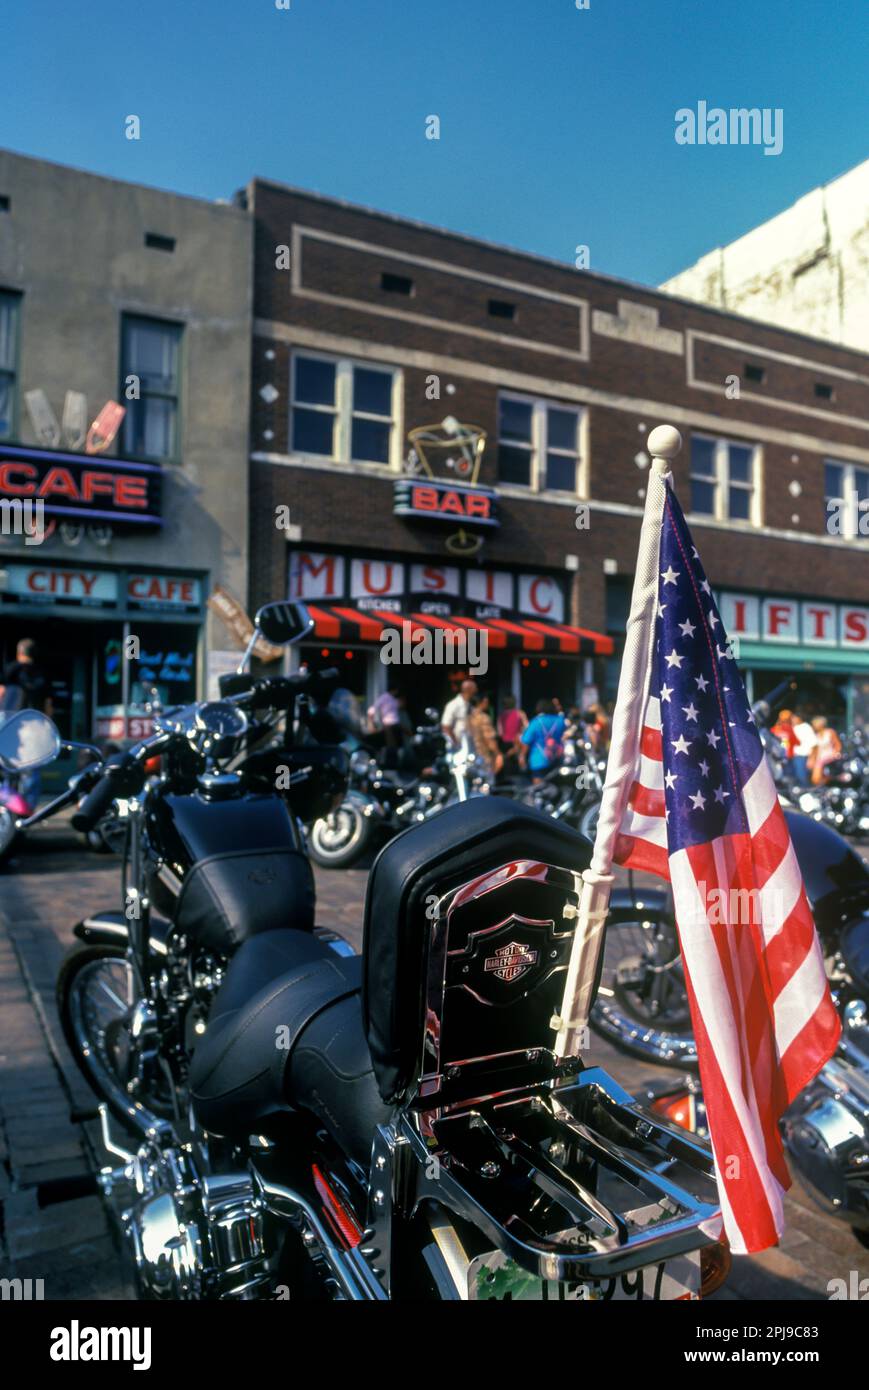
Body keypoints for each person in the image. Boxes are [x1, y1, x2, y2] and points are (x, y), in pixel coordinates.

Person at [0, 638, 53, 806]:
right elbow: (48, 704)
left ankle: (7, 804)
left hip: (10, 722)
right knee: (32, 766)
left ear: (19, 652)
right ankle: (27, 810)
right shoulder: (42, 673)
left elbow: (1, 693)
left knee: (7, 765)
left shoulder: (10, 670)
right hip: (33, 723)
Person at [520, 698, 567, 781]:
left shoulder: (535, 722)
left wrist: (522, 756)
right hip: (557, 759)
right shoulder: (560, 721)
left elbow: (526, 741)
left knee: (539, 790)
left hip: (538, 760)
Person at [468, 692, 503, 779]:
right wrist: (498, 754)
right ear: (483, 702)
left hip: (467, 758)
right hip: (482, 758)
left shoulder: (466, 717)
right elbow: (489, 740)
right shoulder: (483, 718)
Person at [441, 678, 477, 752]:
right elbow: (446, 727)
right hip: (456, 748)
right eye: (475, 689)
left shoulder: (471, 706)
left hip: (470, 747)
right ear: (468, 690)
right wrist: (456, 743)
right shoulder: (453, 705)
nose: (476, 691)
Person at [497, 694, 527, 771]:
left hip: (505, 743)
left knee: (507, 764)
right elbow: (527, 727)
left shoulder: (501, 716)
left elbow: (500, 732)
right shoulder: (520, 713)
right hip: (517, 742)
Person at [808, 716, 842, 786]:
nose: (814, 727)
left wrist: (836, 753)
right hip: (820, 757)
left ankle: (820, 781)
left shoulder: (830, 732)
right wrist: (811, 760)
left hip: (830, 755)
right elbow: (815, 750)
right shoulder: (816, 735)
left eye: (815, 725)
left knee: (817, 773)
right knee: (815, 766)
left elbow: (838, 745)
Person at [791, 711, 818, 786]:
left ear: (800, 718)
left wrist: (812, 759)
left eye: (794, 718)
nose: (792, 719)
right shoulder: (792, 728)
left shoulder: (806, 727)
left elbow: (814, 744)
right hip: (792, 757)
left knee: (802, 778)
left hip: (802, 757)